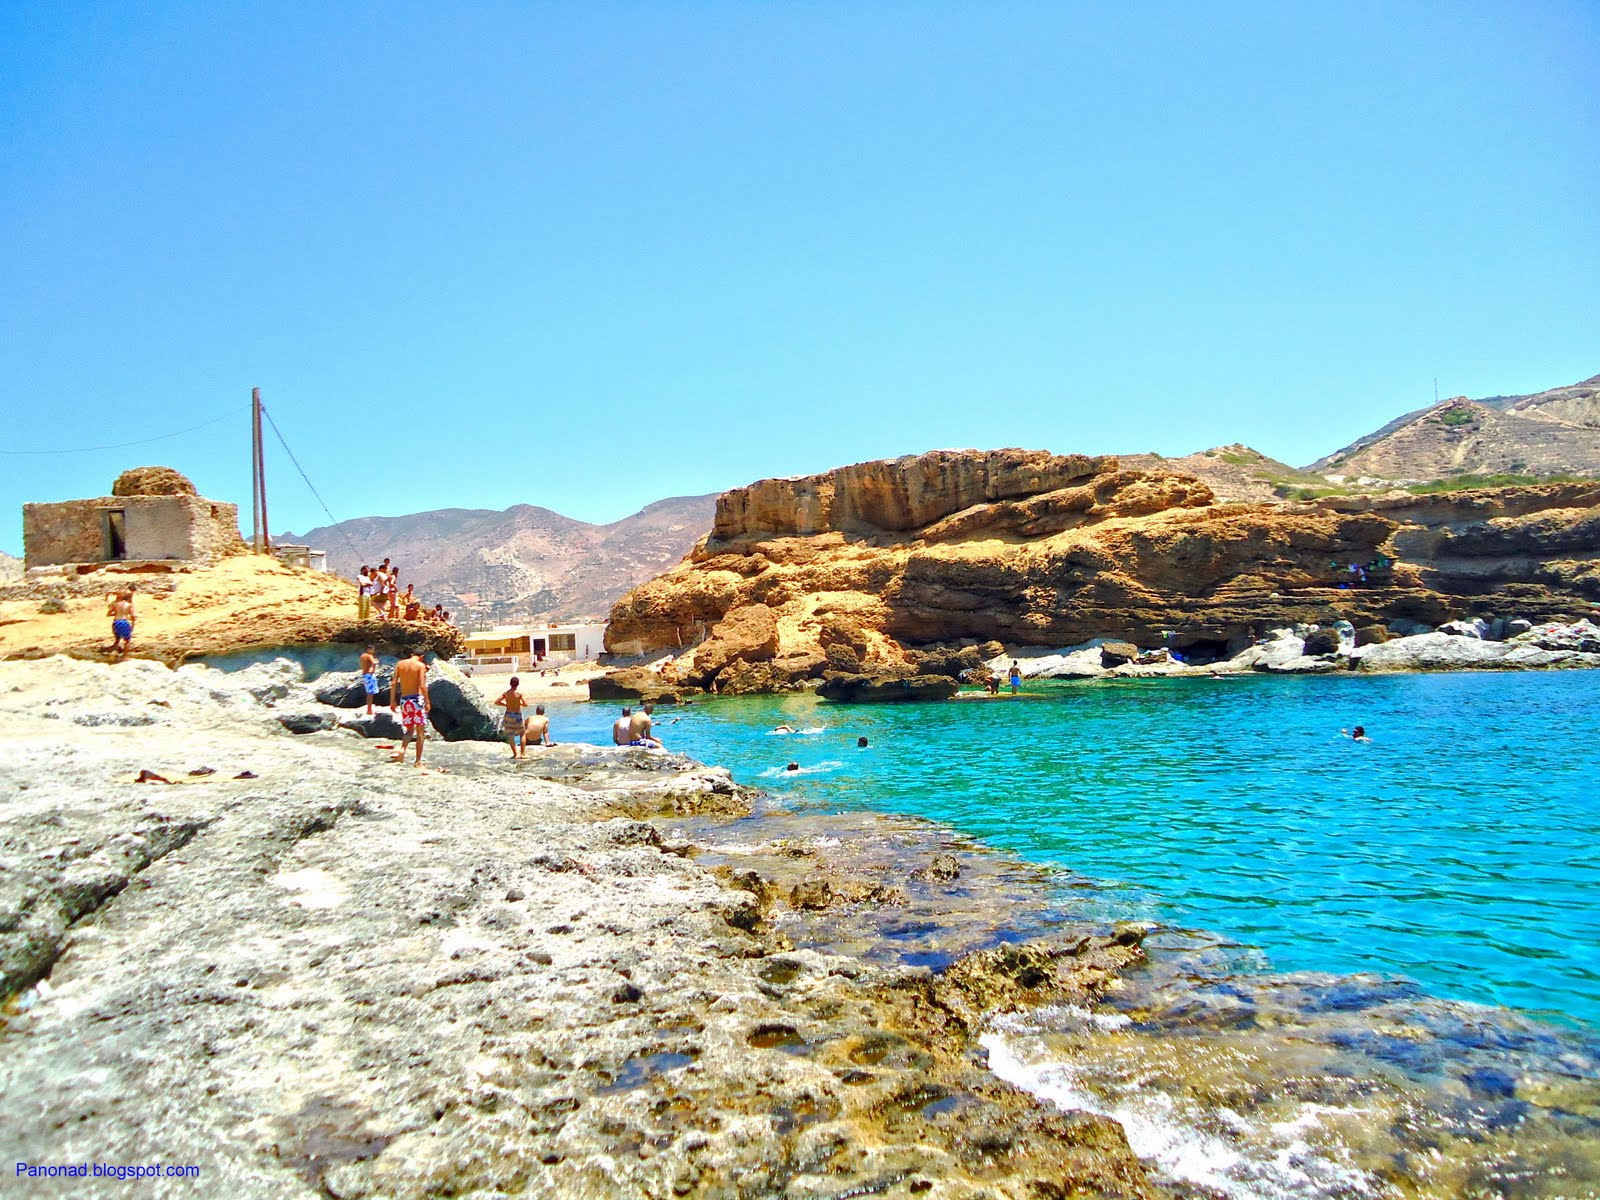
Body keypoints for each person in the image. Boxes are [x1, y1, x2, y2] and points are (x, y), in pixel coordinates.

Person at [389, 651, 430, 766]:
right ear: (421, 657)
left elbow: (393, 683)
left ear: (412, 654)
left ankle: (402, 750)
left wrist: (392, 701)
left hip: (404, 700)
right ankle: (418, 761)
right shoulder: (420, 666)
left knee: (409, 730)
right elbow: (422, 685)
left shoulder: (400, 664)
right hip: (416, 700)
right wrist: (427, 701)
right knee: (420, 732)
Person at [495, 676, 528, 758]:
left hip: (508, 714)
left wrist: (505, 704)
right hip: (517, 714)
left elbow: (497, 702)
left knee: (510, 735)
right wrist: (519, 703)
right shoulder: (519, 694)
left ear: (510, 684)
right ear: (518, 684)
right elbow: (526, 704)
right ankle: (523, 754)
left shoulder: (506, 694)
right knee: (522, 733)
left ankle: (515, 754)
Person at [107, 589, 135, 658]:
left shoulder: (115, 604)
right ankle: (125, 657)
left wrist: (116, 614)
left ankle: (113, 655)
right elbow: (133, 615)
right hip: (124, 622)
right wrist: (133, 624)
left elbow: (108, 614)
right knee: (127, 640)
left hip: (116, 622)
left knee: (117, 639)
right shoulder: (129, 605)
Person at [359, 644, 380, 716]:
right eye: (372, 650)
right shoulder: (369, 656)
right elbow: (374, 662)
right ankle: (369, 710)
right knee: (371, 693)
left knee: (368, 692)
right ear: (368, 649)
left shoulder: (362, 656)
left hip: (365, 675)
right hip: (369, 675)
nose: (373, 651)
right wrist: (373, 670)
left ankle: (369, 709)